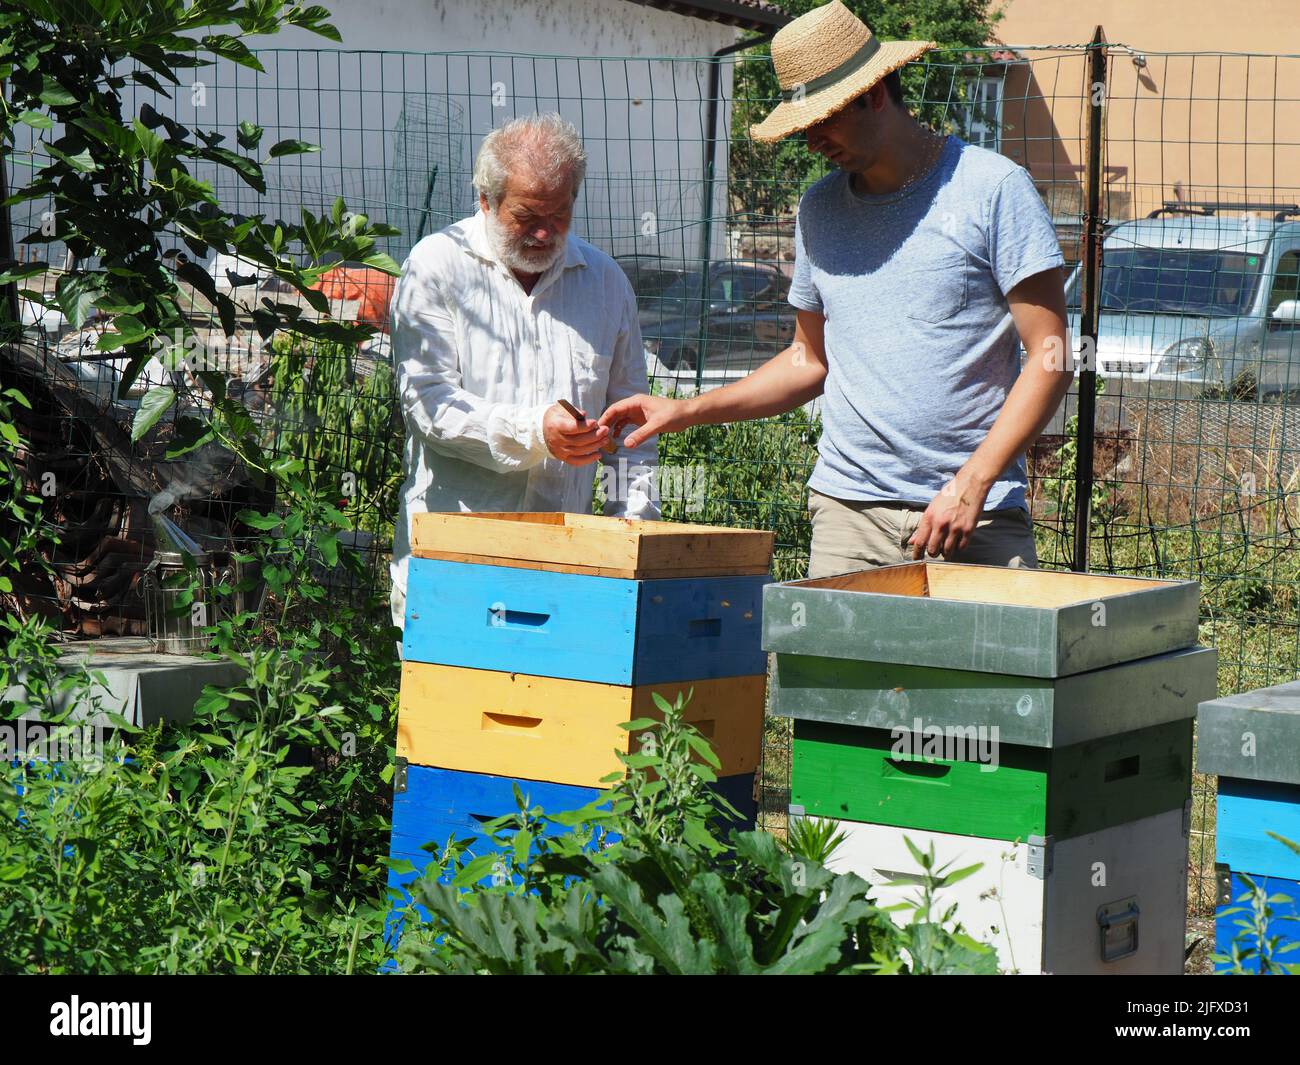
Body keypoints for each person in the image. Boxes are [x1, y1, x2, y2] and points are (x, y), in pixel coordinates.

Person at [599, 1, 1073, 578]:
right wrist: (685, 410)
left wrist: (974, 481)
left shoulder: (992, 190)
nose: (813, 140)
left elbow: (1051, 356)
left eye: (824, 119)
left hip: (976, 516)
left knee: (981, 673)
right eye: (803, 126)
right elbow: (807, 360)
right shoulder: (820, 208)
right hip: (848, 515)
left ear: (874, 94)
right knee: (832, 670)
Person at [388, 113, 658, 629]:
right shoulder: (436, 266)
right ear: (486, 200)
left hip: (569, 568)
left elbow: (634, 432)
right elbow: (428, 405)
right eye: (526, 215)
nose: (543, 232)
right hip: (456, 563)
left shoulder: (605, 284)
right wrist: (535, 431)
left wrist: (631, 533)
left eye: (559, 215)